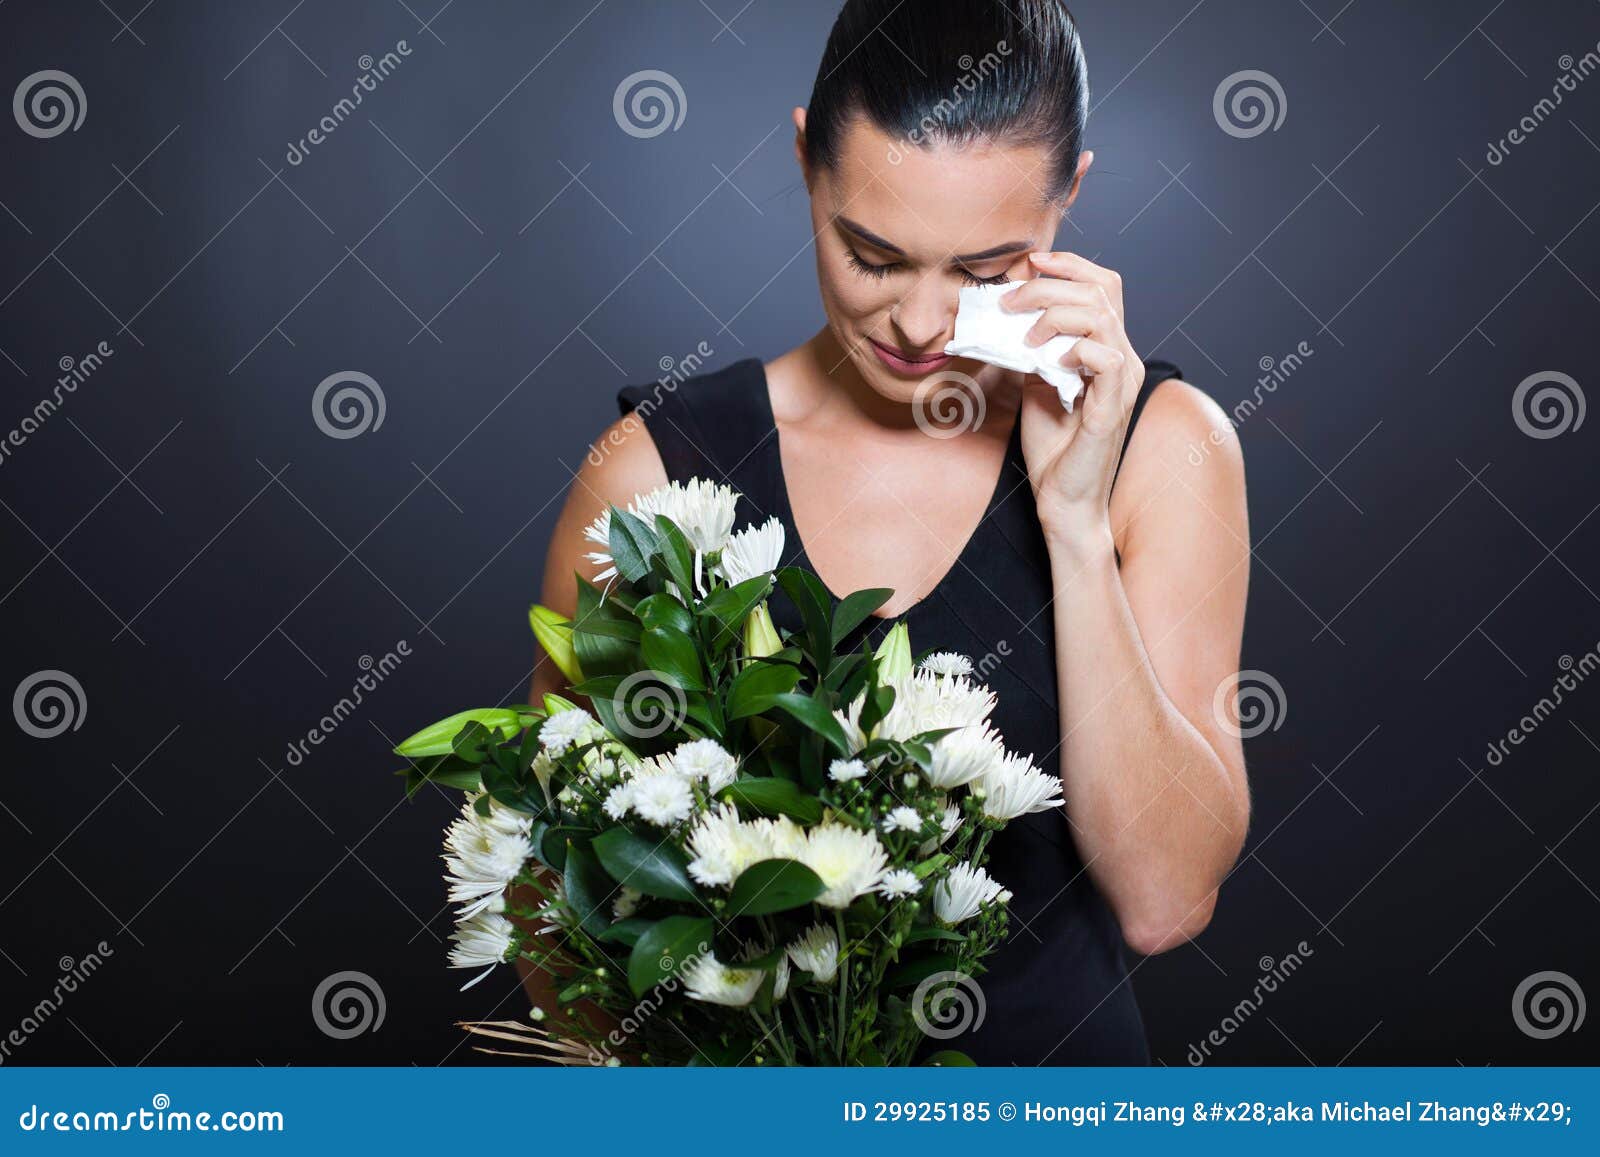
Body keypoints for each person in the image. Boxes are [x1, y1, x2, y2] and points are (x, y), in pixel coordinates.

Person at [524, 0, 1250, 1064]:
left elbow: (1166, 899)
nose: (918, 325)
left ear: (1068, 199)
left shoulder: (1165, 449)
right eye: (872, 255)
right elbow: (549, 874)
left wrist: (1075, 522)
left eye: (983, 271)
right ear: (805, 162)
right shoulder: (652, 471)